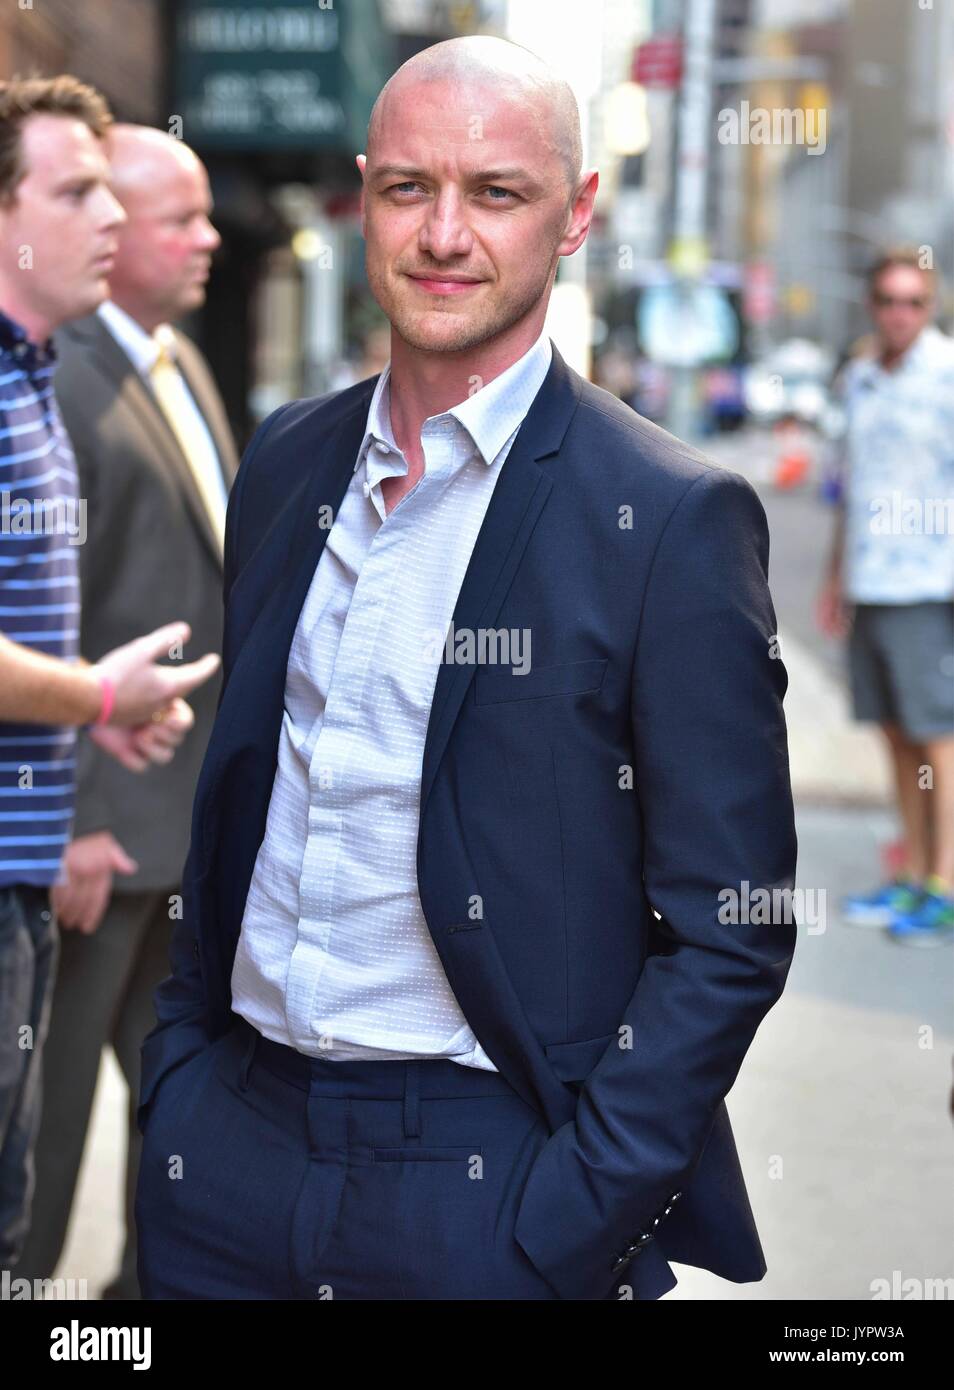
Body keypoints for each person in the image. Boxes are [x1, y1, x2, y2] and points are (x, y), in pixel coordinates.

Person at [135, 36, 797, 1302]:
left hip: (482, 1183)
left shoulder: (668, 519)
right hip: (227, 1157)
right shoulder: (286, 461)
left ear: (575, 214)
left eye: (497, 193)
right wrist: (181, 1082)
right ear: (365, 196)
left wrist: (574, 1214)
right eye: (408, 188)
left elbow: (734, 925)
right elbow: (246, 795)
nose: (444, 235)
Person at [13, 125, 239, 1299]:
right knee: (41, 1145)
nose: (209, 238)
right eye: (179, 218)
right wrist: (77, 817)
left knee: (184, 1120)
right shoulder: (57, 373)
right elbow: (48, 615)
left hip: (182, 831)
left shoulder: (177, 358)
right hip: (92, 840)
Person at [819, 248, 954, 944]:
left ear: (931, 307)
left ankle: (944, 887)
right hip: (872, 581)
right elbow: (852, 486)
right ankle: (913, 873)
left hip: (930, 584)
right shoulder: (861, 379)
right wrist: (835, 577)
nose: (901, 314)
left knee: (939, 737)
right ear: (872, 306)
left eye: (914, 302)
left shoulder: (948, 375)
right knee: (897, 736)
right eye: (889, 301)